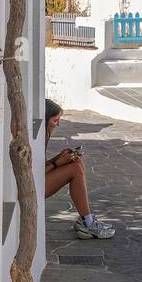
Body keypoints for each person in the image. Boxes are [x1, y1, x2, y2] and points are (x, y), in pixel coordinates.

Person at [44, 99, 115, 239]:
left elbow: (40, 166)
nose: (58, 124)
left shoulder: (43, 134)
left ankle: (85, 219)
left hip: (39, 179)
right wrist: (58, 163)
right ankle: (87, 223)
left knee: (78, 162)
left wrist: (60, 158)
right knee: (75, 169)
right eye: (55, 120)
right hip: (32, 185)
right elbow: (32, 171)